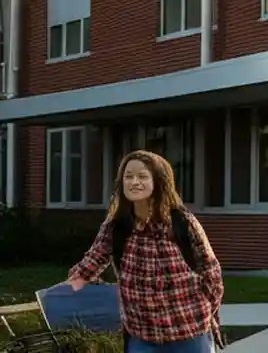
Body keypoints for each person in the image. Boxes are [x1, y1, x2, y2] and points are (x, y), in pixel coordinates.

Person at [66, 150, 224, 353]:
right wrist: (65, 291)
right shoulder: (117, 226)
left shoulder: (181, 221)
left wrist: (206, 311)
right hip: (142, 336)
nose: (134, 182)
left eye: (142, 176)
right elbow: (93, 261)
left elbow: (211, 271)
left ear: (157, 181)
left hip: (189, 332)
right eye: (128, 176)